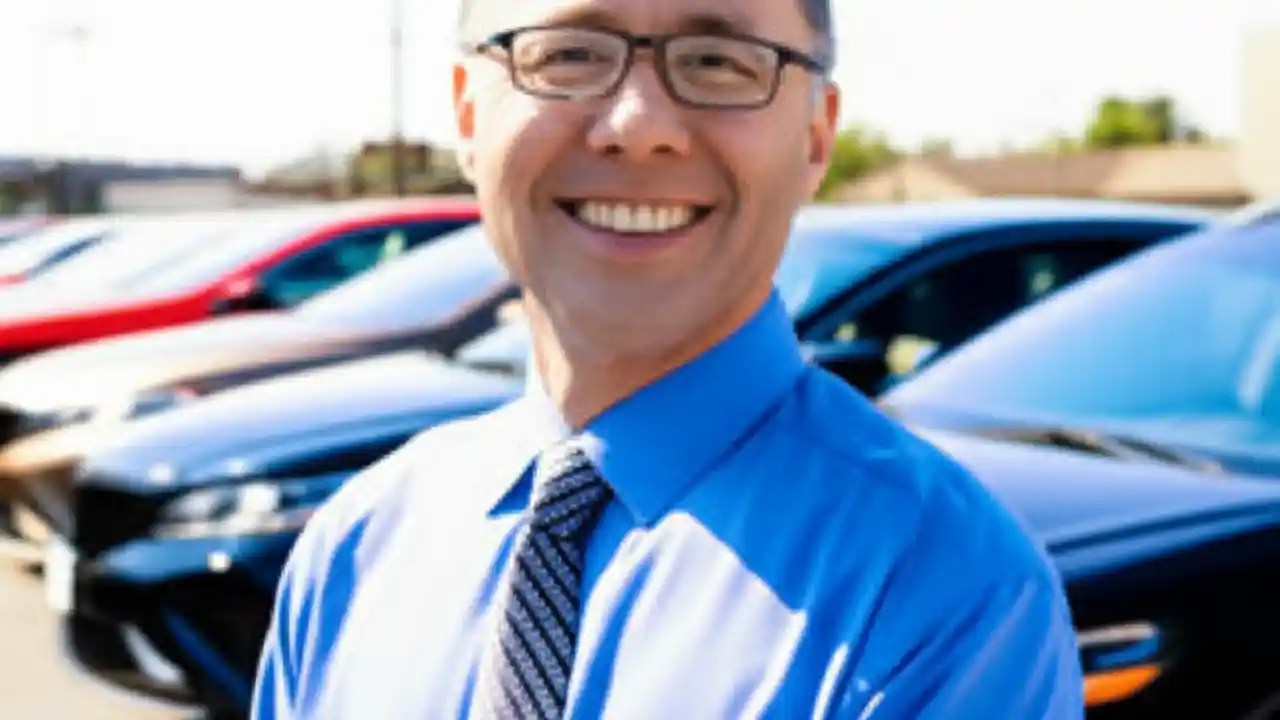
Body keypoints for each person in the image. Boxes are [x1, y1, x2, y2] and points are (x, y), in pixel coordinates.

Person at [251, 0, 1084, 717]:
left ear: (816, 138)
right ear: (469, 117)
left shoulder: (942, 592)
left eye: (719, 60)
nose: (637, 126)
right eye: (570, 53)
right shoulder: (355, 549)